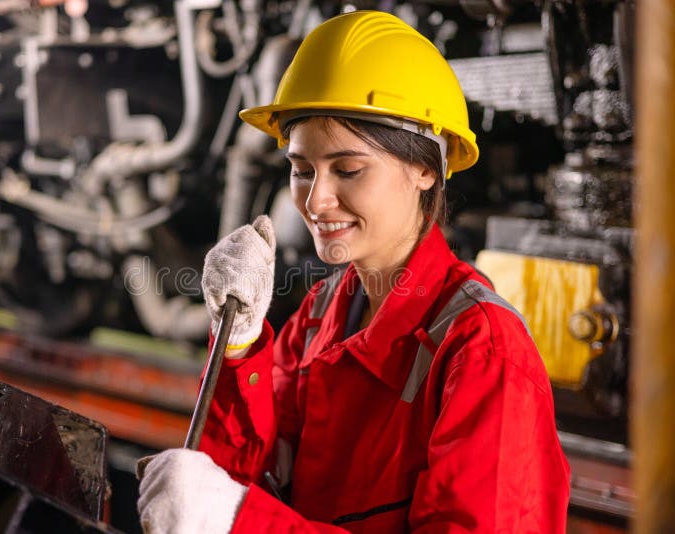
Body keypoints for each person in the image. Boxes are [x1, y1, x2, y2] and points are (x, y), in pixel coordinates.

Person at [136, 10, 570, 534]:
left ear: (425, 169)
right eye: (301, 170)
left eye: (348, 169)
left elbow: (244, 513)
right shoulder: (320, 317)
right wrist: (239, 351)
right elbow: (248, 475)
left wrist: (238, 520)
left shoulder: (483, 352)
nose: (316, 199)